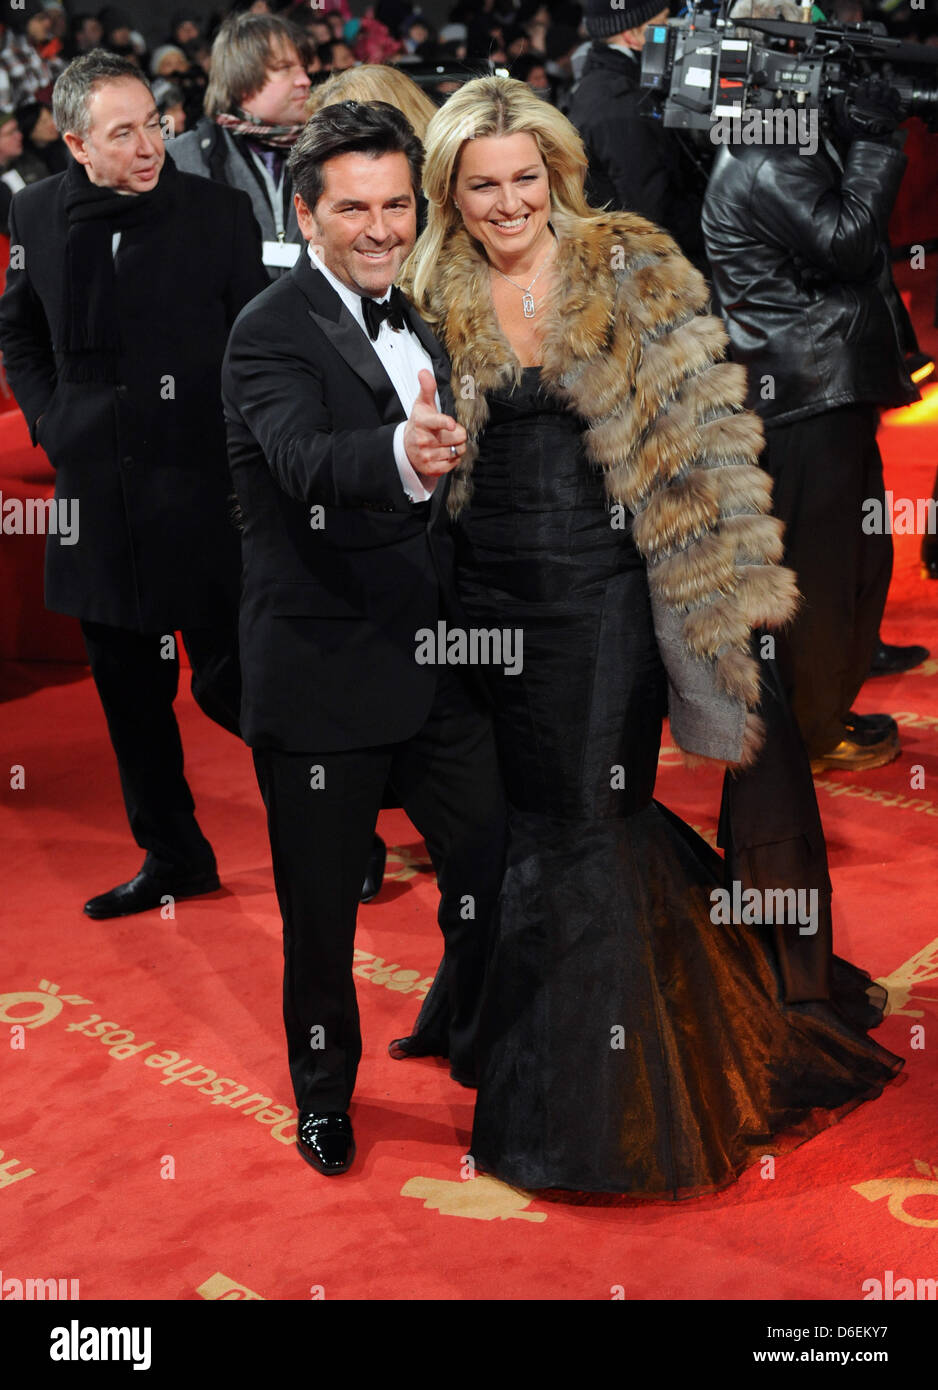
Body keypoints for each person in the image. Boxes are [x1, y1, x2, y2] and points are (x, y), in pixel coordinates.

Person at [396, 74, 903, 1197]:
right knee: (523, 823)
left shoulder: (625, 260)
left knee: (588, 816)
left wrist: (721, 603)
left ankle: (593, 1109)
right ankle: (525, 1024)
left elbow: (699, 443)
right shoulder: (429, 282)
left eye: (525, 178)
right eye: (482, 185)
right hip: (479, 600)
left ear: (556, 173)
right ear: (449, 192)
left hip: (602, 592)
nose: (508, 202)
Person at [221, 100, 507, 1178]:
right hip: (323, 671)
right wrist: (397, 449)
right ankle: (324, 1097)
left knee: (490, 860)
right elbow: (300, 459)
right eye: (354, 208)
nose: (380, 227)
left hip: (431, 664)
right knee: (320, 922)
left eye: (396, 204)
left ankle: (467, 1032)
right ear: (306, 212)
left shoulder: (416, 314)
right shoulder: (267, 330)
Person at [0, 50, 268, 918]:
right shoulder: (35, 212)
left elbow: (257, 354)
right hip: (98, 509)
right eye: (125, 133)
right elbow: (21, 331)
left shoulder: (218, 215)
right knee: (131, 704)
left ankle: (348, 828)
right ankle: (174, 854)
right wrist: (50, 421)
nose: (151, 144)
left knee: (240, 686)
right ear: (77, 143)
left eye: (155, 121)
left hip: (202, 499)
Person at [702, 3, 922, 772]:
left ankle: (821, 714)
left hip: (822, 385)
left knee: (855, 569)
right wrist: (876, 142)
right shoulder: (764, 152)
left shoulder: (775, 139)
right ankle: (806, 732)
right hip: (802, 393)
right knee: (825, 580)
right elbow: (847, 239)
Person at [568, 1, 709, 273]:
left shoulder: (611, 85)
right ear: (633, 36)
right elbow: (651, 216)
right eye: (664, 22)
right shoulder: (620, 107)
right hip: (657, 279)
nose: (671, 31)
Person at [166, 12, 310, 279]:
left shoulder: (325, 148)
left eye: (303, 67)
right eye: (285, 68)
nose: (305, 80)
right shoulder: (181, 158)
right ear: (241, 78)